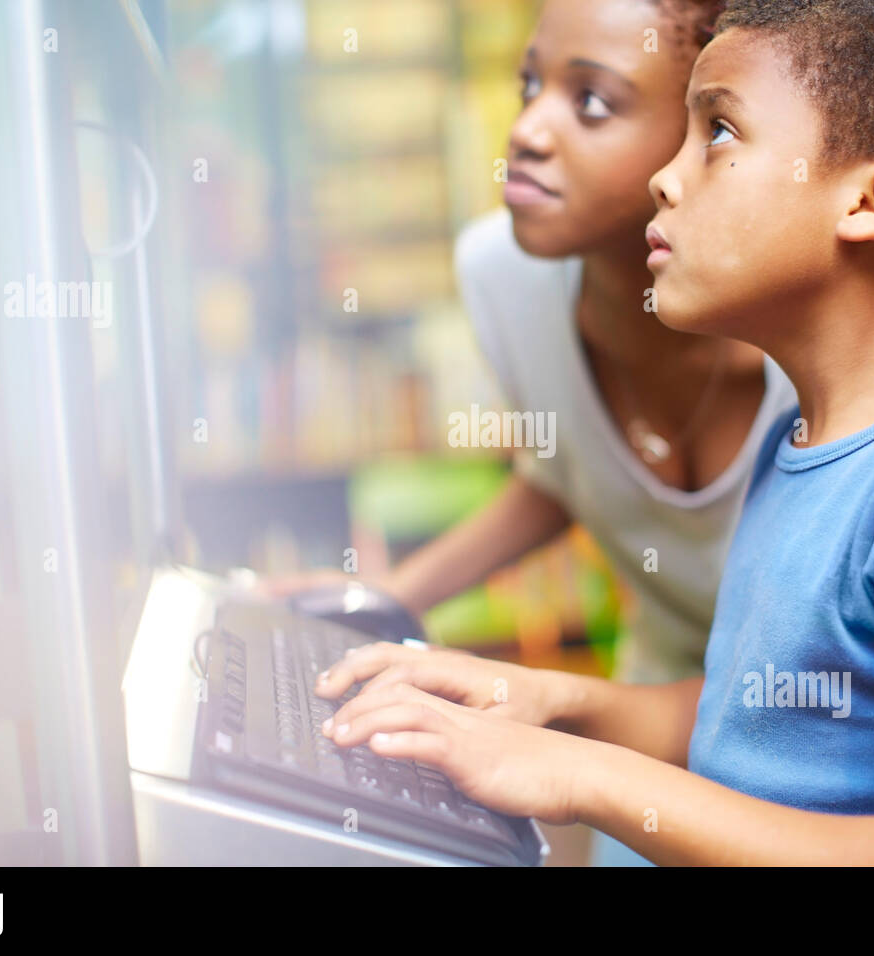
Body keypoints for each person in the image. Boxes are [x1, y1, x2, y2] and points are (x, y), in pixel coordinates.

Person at [314, 0, 874, 866]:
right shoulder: (801, 445)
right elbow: (751, 714)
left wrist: (580, 774)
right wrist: (539, 697)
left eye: (718, 132)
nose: (667, 175)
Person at [278, 0, 797, 864]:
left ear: (710, 129)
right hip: (655, 701)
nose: (525, 130)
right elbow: (564, 469)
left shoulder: (805, 337)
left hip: (821, 718)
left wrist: (561, 730)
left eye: (591, 102)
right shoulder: (502, 274)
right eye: (529, 86)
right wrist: (386, 600)